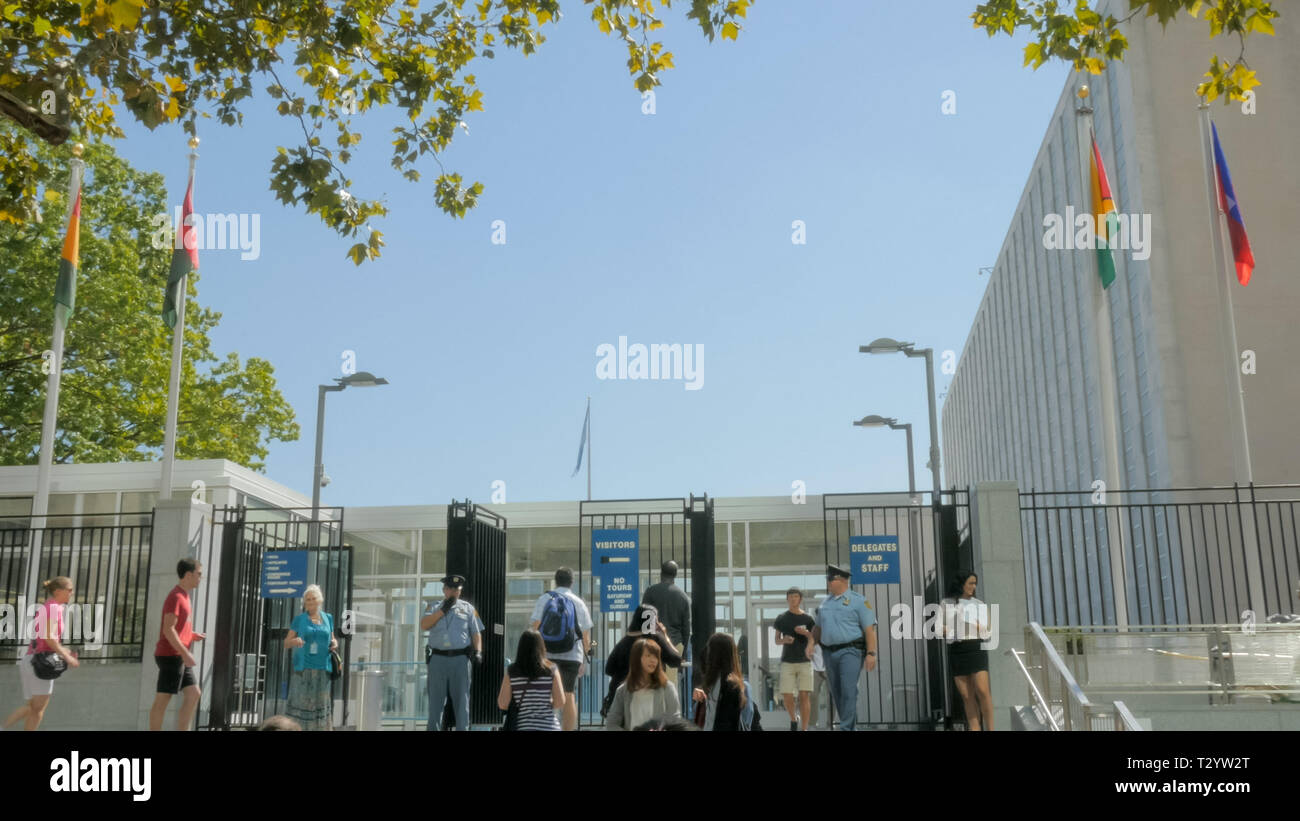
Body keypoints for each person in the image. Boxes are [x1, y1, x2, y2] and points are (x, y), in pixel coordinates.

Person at [3, 576, 80, 731]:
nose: (72, 593)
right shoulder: (54, 608)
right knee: (36, 709)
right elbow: (49, 637)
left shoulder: (49, 606)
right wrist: (66, 657)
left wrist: (65, 651)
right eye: (69, 590)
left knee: (34, 708)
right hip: (40, 663)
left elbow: (45, 637)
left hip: (31, 659)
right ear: (58, 591)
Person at [812, 564, 877, 731]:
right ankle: (850, 728)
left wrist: (871, 653)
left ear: (841, 580)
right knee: (837, 693)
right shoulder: (825, 603)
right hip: (829, 653)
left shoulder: (859, 601)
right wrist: (811, 643)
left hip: (851, 651)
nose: (828, 582)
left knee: (848, 690)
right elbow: (817, 628)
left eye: (830, 579)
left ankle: (846, 728)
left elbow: (869, 631)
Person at [529, 566, 593, 731]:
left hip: (548, 654)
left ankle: (547, 727)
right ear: (572, 583)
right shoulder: (578, 602)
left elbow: (534, 627)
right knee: (569, 694)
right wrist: (587, 655)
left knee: (547, 694)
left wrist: (534, 652)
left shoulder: (545, 599)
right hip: (572, 656)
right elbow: (587, 636)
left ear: (555, 580)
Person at [420, 573, 483, 731]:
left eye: (457, 589)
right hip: (438, 660)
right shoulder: (433, 607)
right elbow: (424, 625)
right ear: (444, 590)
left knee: (462, 702)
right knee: (436, 703)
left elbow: (476, 633)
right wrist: (442, 611)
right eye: (451, 589)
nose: (454, 592)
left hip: (460, 660)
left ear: (460, 591)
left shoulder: (468, 609)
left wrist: (478, 652)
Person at [150, 559, 206, 731]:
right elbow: (168, 629)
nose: (200, 578)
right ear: (189, 575)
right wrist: (185, 653)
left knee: (194, 693)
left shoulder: (185, 596)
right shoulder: (176, 597)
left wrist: (191, 635)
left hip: (178, 655)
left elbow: (178, 628)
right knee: (163, 698)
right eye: (199, 574)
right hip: (170, 655)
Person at [603, 603, 682, 717]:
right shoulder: (655, 639)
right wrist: (665, 636)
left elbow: (609, 669)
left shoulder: (624, 641)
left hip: (621, 699)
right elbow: (676, 660)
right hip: (649, 698)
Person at [942, 570, 994, 731]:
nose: (973, 586)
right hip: (957, 649)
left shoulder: (979, 604)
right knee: (966, 695)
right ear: (961, 583)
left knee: (983, 691)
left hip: (975, 648)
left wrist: (975, 625)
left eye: (975, 583)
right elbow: (938, 628)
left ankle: (991, 728)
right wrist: (952, 628)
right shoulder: (947, 603)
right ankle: (975, 728)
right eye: (970, 583)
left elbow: (988, 632)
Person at [282, 584, 338, 731]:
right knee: (301, 705)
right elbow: (286, 643)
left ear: (319, 600)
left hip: (323, 670)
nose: (311, 602)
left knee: (321, 707)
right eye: (308, 599)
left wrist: (334, 643)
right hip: (303, 670)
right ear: (304, 602)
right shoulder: (299, 620)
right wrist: (295, 641)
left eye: (313, 598)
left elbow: (333, 639)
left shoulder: (328, 618)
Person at [605, 638, 681, 731]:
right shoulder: (623, 691)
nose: (653, 660)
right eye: (648, 655)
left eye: (656, 656)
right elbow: (611, 724)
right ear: (636, 659)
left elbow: (676, 721)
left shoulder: (667, 688)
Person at [497, 630, 564, 731]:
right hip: (549, 726)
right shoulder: (551, 669)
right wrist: (545, 703)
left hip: (524, 726)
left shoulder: (512, 671)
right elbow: (560, 701)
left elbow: (502, 703)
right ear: (542, 647)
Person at [772, 586, 815, 731]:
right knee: (786, 694)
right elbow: (776, 640)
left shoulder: (808, 619)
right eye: (790, 597)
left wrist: (806, 633)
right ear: (787, 599)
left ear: (800, 599)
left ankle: (804, 728)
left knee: (804, 695)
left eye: (795, 596)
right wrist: (785, 640)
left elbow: (813, 638)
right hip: (787, 661)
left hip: (804, 661)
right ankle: (793, 718)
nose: (792, 599)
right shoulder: (781, 618)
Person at [641, 560, 691, 685]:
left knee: (651, 684)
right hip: (675, 645)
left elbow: (644, 622)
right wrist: (682, 655)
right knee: (670, 685)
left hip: (653, 645)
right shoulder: (683, 597)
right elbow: (686, 630)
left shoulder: (650, 592)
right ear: (675, 575)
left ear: (661, 573)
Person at [691, 633, 746, 731]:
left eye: (710, 649)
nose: (707, 653)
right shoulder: (714, 681)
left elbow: (730, 722)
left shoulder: (730, 685)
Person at [810, 643, 835, 731]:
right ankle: (812, 724)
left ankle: (830, 724)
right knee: (813, 696)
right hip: (815, 669)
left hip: (830, 669)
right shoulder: (813, 634)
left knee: (832, 697)